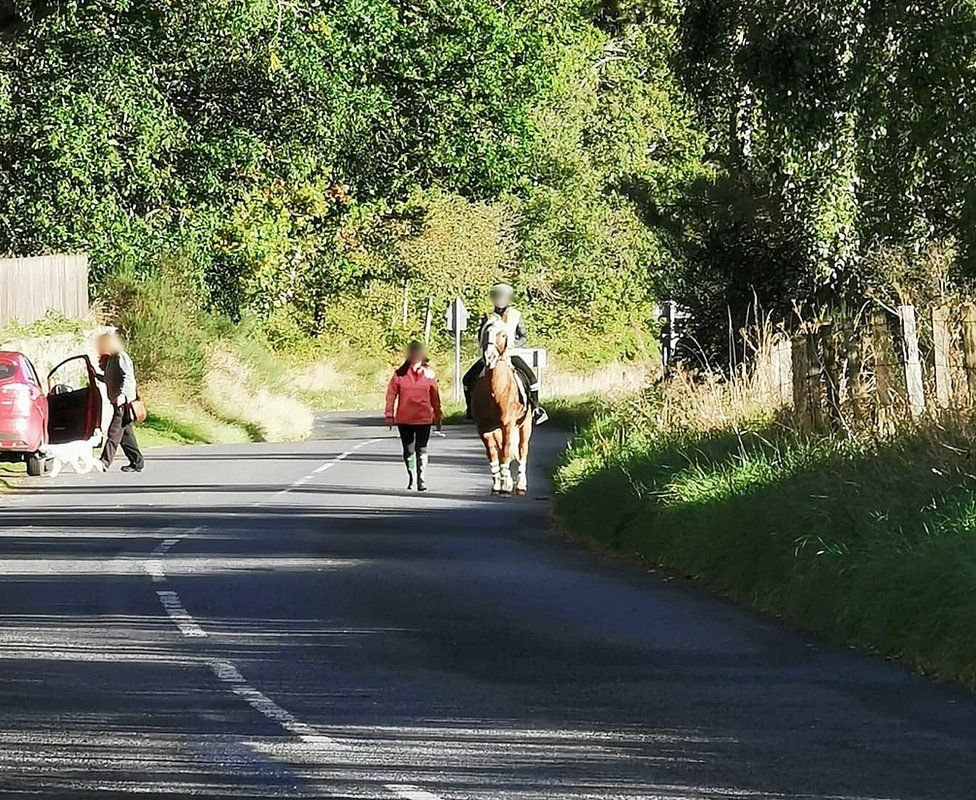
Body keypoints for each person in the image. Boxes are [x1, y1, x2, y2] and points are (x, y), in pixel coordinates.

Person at [462, 283, 548, 424]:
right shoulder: (488, 317)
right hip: (490, 355)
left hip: (510, 354)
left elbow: (523, 336)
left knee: (532, 379)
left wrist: (510, 346)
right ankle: (470, 410)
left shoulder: (516, 316)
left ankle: (535, 409)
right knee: (467, 379)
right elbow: (481, 337)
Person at [385, 341, 443, 492]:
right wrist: (389, 414)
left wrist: (438, 415)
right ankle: (411, 476)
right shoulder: (399, 374)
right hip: (405, 419)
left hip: (424, 418)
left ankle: (421, 479)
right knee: (409, 450)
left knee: (422, 448)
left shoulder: (429, 374)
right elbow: (391, 395)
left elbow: (435, 395)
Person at [97, 331, 145, 473]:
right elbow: (111, 378)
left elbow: (128, 378)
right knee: (126, 435)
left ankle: (104, 462)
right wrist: (97, 376)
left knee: (114, 432)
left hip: (123, 403)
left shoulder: (121, 357)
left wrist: (123, 395)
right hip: (118, 402)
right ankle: (137, 462)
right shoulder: (112, 358)